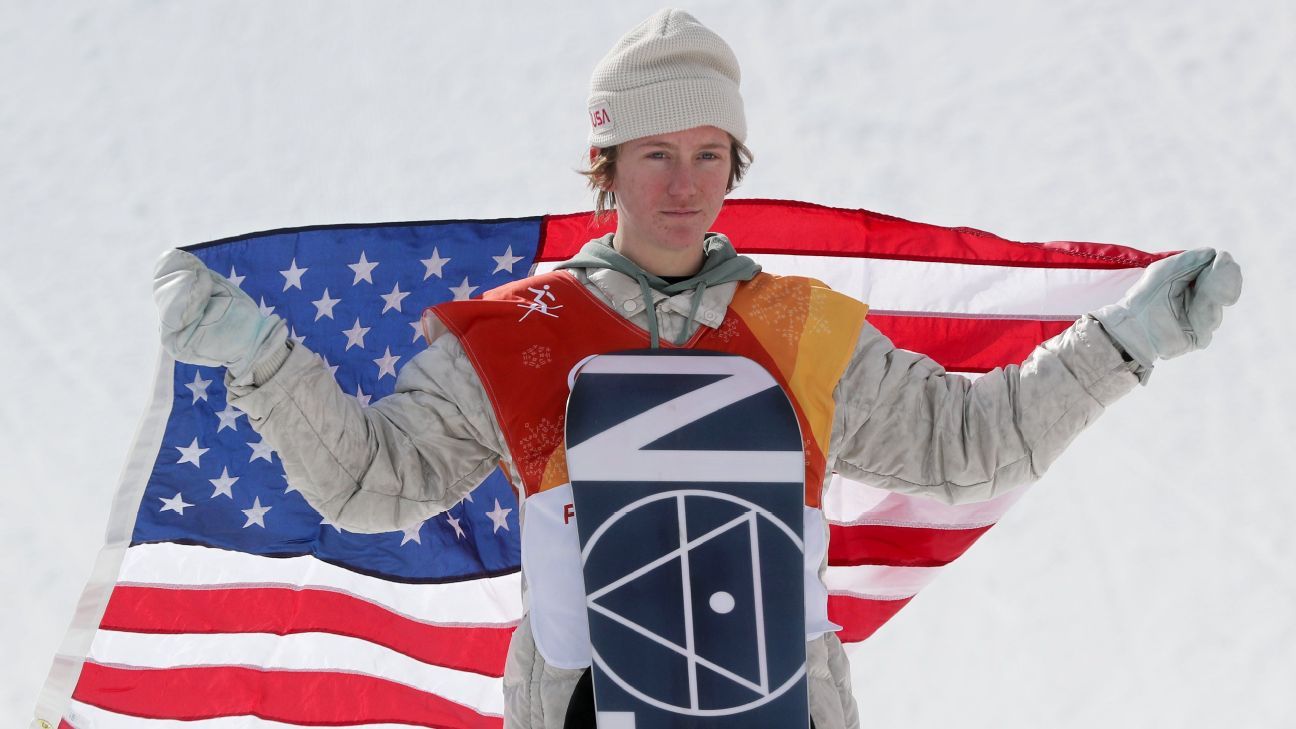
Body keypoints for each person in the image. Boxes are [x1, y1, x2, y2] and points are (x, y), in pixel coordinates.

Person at [151, 9, 1241, 729]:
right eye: (658, 155)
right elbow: (373, 485)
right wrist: (264, 360)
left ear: (737, 163)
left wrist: (1126, 342)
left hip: (776, 707)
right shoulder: (524, 328)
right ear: (609, 163)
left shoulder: (798, 326)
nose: (685, 184)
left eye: (710, 154)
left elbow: (971, 445)